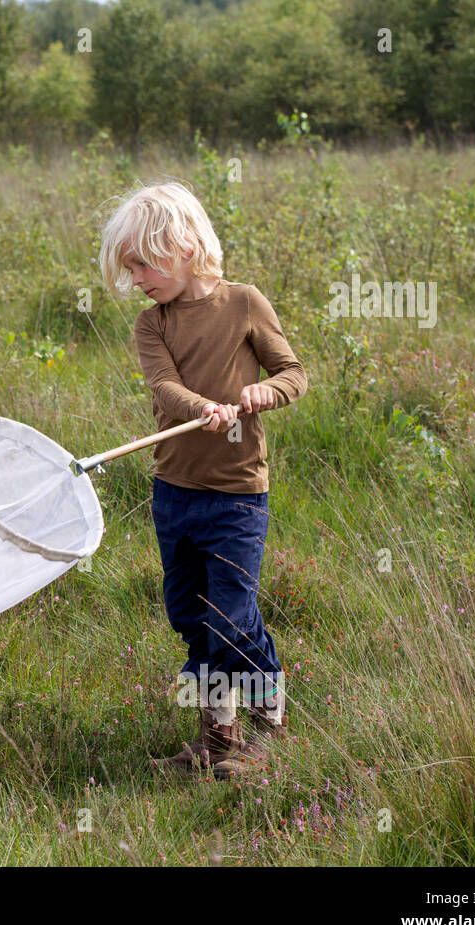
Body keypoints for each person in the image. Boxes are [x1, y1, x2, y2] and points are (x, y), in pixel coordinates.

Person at [98, 179, 309, 779]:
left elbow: (294, 373)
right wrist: (201, 409)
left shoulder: (244, 303)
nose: (136, 278)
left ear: (183, 243)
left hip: (237, 495)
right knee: (190, 615)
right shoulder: (152, 324)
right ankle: (218, 738)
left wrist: (263, 392)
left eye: (142, 263)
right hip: (174, 491)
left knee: (231, 618)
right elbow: (164, 387)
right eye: (129, 268)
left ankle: (271, 730)